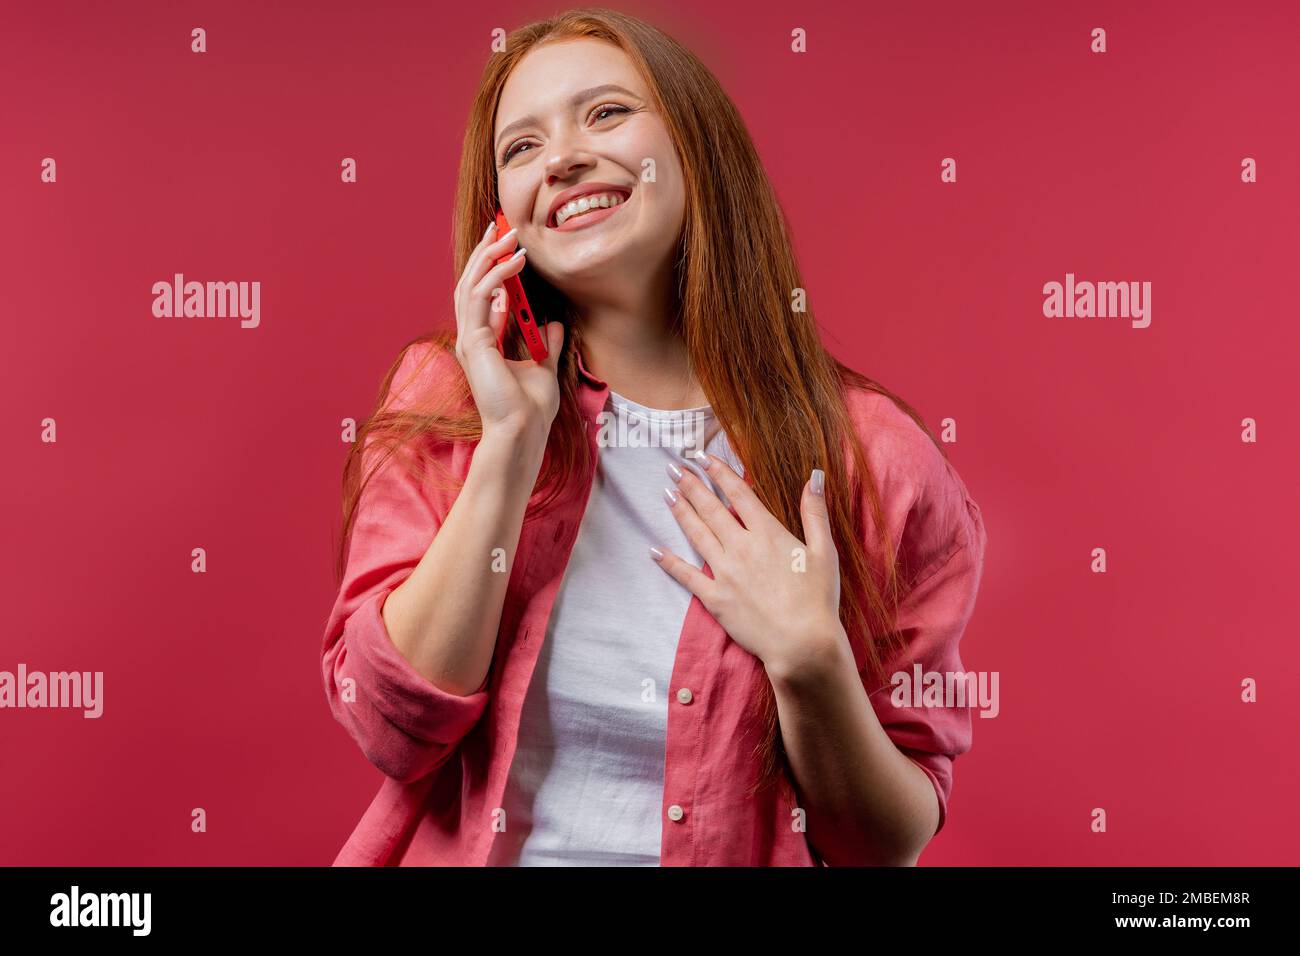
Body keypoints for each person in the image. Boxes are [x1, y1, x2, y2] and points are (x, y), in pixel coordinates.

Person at [321, 6, 987, 867]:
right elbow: (391, 730)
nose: (560, 158)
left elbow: (885, 845)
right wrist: (510, 446)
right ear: (502, 218)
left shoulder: (878, 461)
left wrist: (811, 659)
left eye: (605, 113)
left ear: (697, 147)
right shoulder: (449, 400)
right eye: (521, 147)